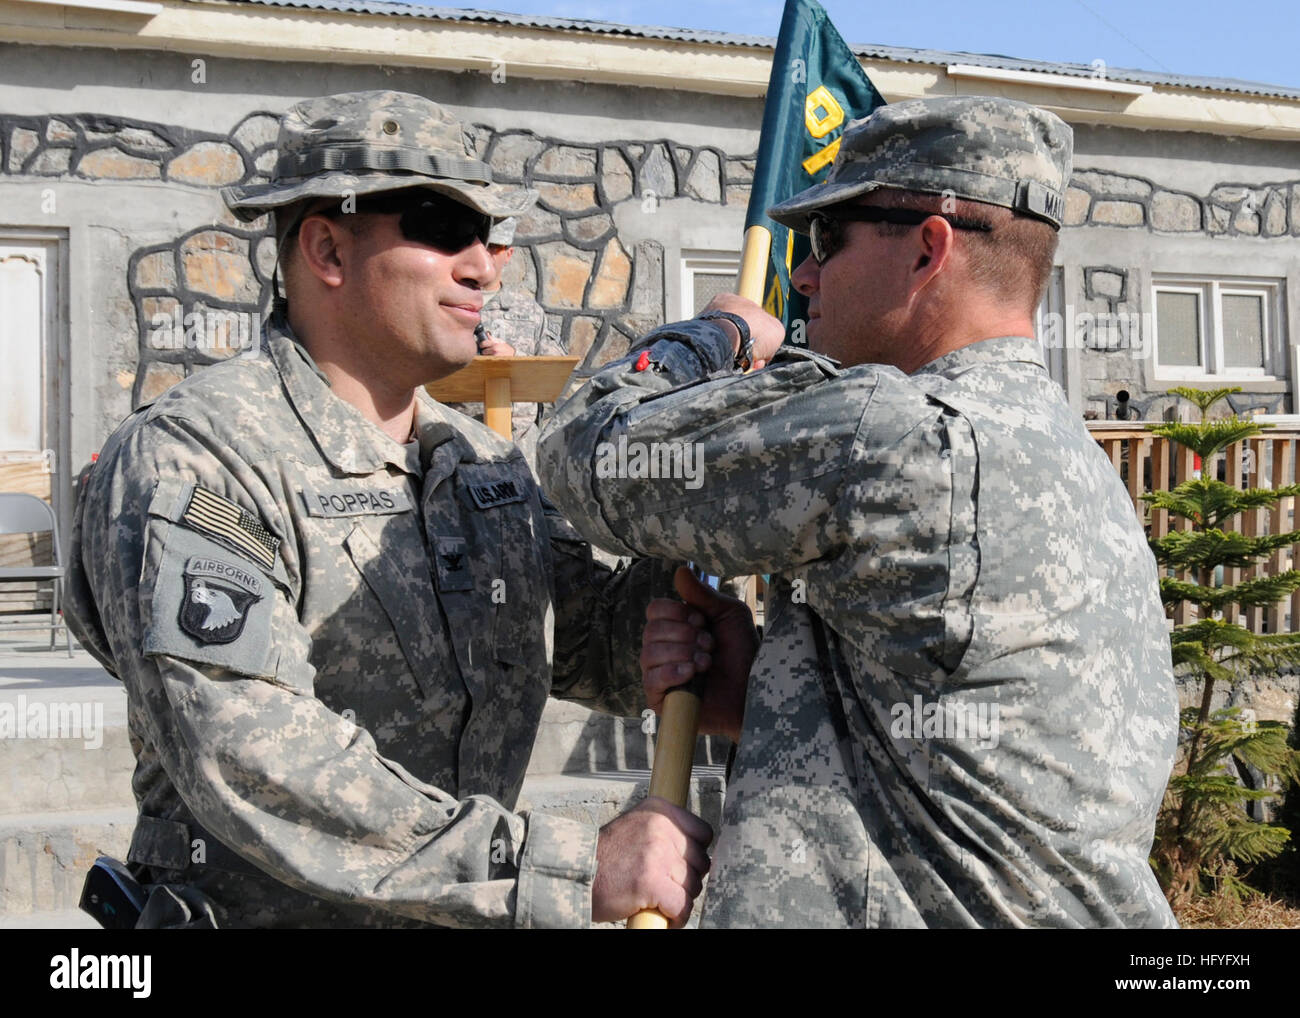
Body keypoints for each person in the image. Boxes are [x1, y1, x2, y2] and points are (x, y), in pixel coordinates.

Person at [62, 90, 711, 929]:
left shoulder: (483, 466)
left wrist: (674, 595)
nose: (485, 264)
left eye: (495, 235)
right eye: (443, 226)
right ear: (327, 247)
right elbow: (254, 756)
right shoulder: (197, 458)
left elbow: (587, 642)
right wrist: (561, 867)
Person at [538, 95, 1180, 927]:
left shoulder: (897, 435)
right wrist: (771, 692)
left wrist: (716, 340)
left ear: (928, 248)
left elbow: (587, 451)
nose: (805, 276)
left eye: (828, 241)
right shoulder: (1068, 458)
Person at [446, 216, 566, 467]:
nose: (484, 255)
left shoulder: (529, 311)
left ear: (508, 254)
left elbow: (559, 375)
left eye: (494, 247)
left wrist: (516, 358)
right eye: (479, 245)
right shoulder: (446, 304)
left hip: (519, 447)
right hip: (458, 443)